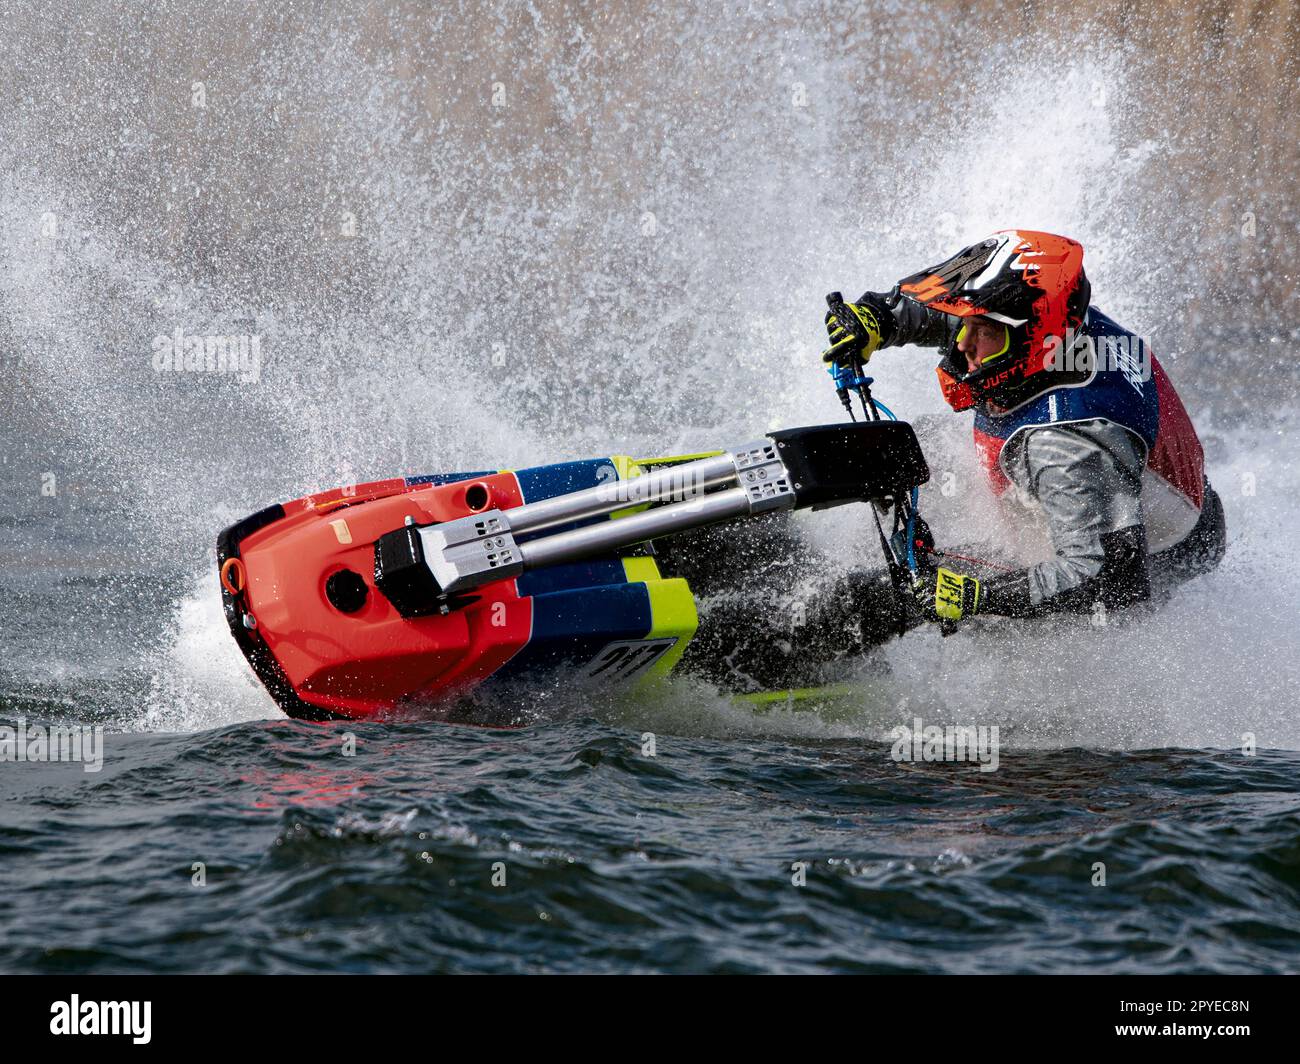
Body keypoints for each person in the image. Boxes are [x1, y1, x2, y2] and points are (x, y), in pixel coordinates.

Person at [823, 230, 1225, 625]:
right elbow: (958, 314)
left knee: (904, 598)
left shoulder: (1068, 446)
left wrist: (978, 597)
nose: (962, 345)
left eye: (982, 333)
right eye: (970, 326)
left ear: (1033, 343)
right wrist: (879, 318)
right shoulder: (1044, 321)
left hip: (1148, 555)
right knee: (917, 444)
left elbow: (1110, 581)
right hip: (1100, 501)